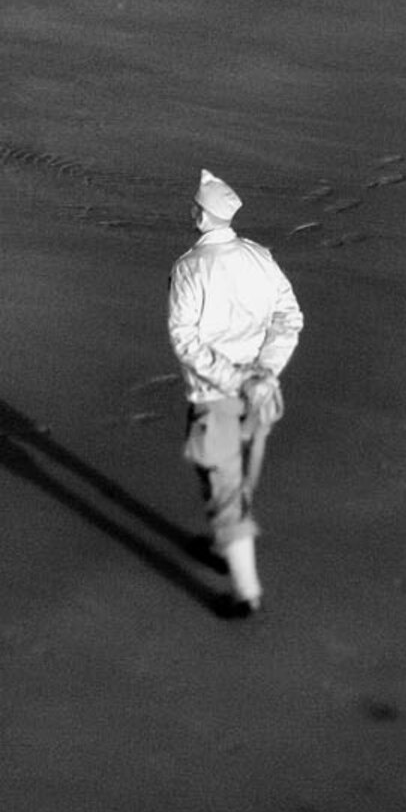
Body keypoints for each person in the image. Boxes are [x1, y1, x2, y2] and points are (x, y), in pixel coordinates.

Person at [166, 168, 303, 613]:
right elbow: (288, 317)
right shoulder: (259, 256)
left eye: (195, 206)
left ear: (202, 215)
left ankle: (246, 594)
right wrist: (264, 372)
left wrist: (236, 379)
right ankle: (226, 543)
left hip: (215, 397)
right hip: (260, 393)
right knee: (238, 479)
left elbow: (186, 341)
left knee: (222, 487)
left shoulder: (189, 268)